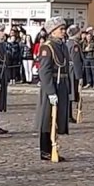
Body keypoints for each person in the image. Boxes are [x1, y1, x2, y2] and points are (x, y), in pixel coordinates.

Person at [37, 17, 71, 161]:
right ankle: (45, 150)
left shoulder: (62, 45)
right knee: (47, 119)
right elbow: (44, 71)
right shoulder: (47, 47)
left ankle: (54, 147)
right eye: (61, 29)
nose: (64, 32)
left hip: (62, 83)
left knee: (57, 118)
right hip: (51, 85)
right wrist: (51, 92)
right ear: (53, 31)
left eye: (64, 29)